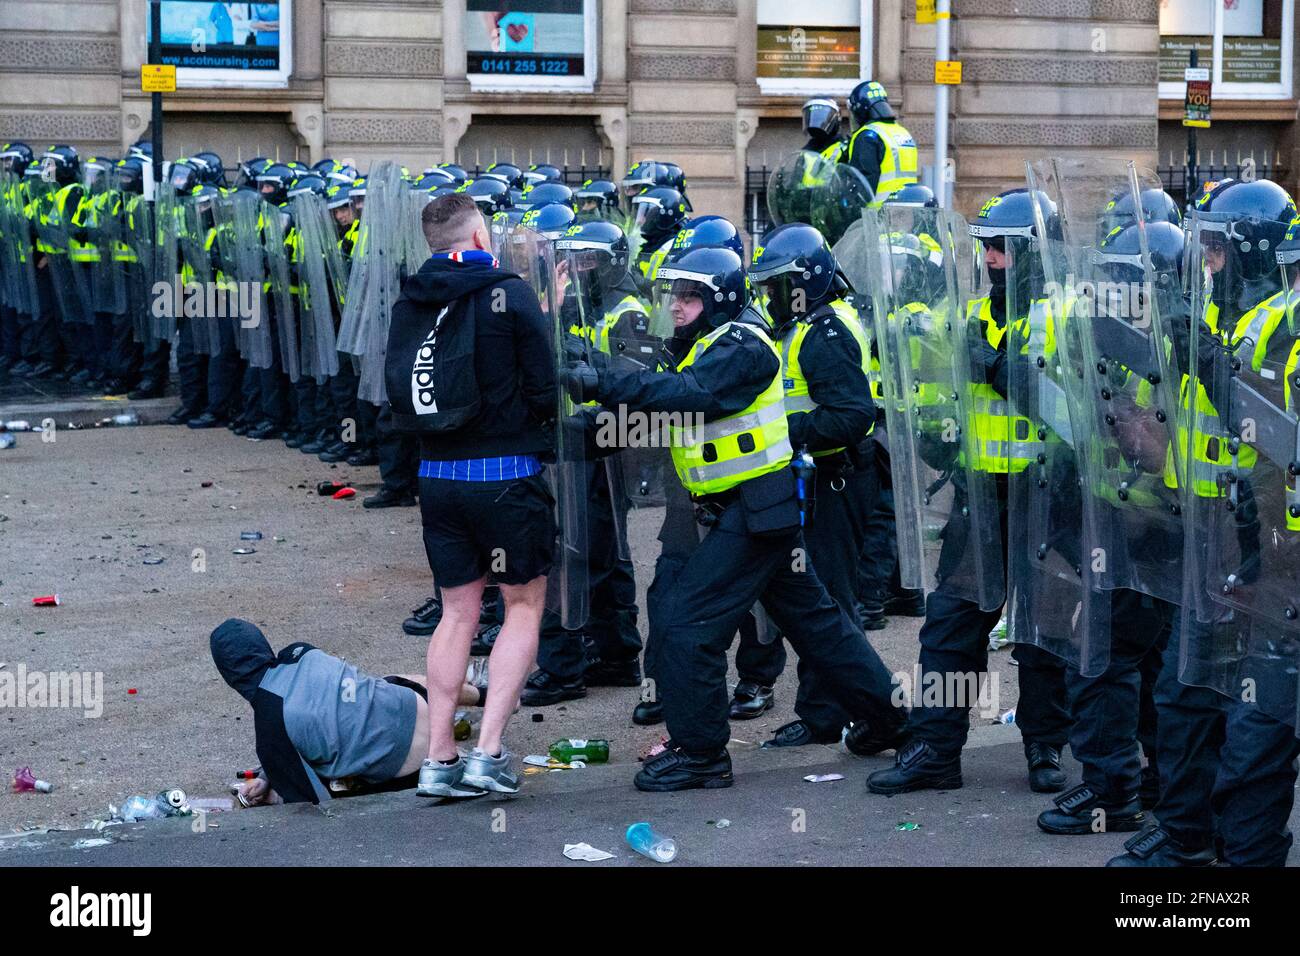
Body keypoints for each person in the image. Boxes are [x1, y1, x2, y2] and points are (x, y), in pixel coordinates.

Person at [564, 245, 907, 791]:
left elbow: (688, 396)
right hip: (740, 510)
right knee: (819, 626)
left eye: (691, 296)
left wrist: (600, 378)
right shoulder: (701, 346)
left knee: (686, 624)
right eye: (675, 295)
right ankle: (892, 718)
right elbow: (648, 416)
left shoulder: (744, 346)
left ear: (719, 299)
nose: (677, 306)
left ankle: (701, 754)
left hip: (756, 511)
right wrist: (556, 435)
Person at [866, 189, 1070, 796]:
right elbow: (937, 409)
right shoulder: (969, 314)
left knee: (1044, 632)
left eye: (1004, 249)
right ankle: (934, 748)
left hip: (1048, 495)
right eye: (986, 248)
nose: (992, 260)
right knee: (949, 628)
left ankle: (1045, 747)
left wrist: (1000, 369)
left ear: (1037, 253)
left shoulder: (1070, 318)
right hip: (978, 494)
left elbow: (1081, 416)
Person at [387, 192, 557, 797]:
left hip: (438, 479)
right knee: (522, 605)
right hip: (505, 477)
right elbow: (545, 386)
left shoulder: (411, 299)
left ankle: (439, 760)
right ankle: (487, 753)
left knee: (457, 612)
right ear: (480, 237)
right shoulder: (509, 293)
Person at [731, 223, 904, 753]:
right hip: (814, 478)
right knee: (815, 601)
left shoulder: (825, 333)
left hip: (834, 479)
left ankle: (837, 715)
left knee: (830, 602)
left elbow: (851, 416)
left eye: (776, 286)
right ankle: (834, 712)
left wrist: (776, 435)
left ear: (804, 282)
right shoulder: (803, 324)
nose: (768, 296)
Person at [211, 618, 487, 806]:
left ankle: (456, 761)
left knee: (333, 781)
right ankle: (485, 695)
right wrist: (267, 773)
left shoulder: (270, 730)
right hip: (419, 706)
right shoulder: (300, 651)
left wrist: (270, 789)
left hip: (414, 768)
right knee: (384, 683)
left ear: (230, 676)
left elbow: (312, 803)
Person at [840, 81, 918, 208]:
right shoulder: (902, 133)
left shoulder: (867, 136)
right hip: (906, 211)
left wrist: (846, 204)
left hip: (877, 217)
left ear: (860, 109)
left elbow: (863, 181)